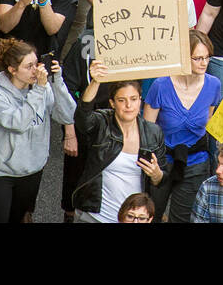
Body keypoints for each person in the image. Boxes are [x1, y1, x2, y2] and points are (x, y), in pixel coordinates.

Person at [0, 37, 76, 222]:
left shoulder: (43, 86)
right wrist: (39, 90)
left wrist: (57, 83)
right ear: (12, 70)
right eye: (29, 66)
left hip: (32, 170)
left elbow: (66, 115)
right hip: (0, 172)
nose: (36, 70)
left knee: (18, 219)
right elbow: (18, 123)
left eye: (36, 63)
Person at [71, 60, 168, 223]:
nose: (128, 105)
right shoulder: (102, 122)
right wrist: (96, 81)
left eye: (134, 99)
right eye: (122, 100)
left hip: (133, 218)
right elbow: (82, 118)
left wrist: (157, 174)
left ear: (140, 101)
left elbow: (161, 179)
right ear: (112, 103)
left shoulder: (153, 132)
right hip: (96, 215)